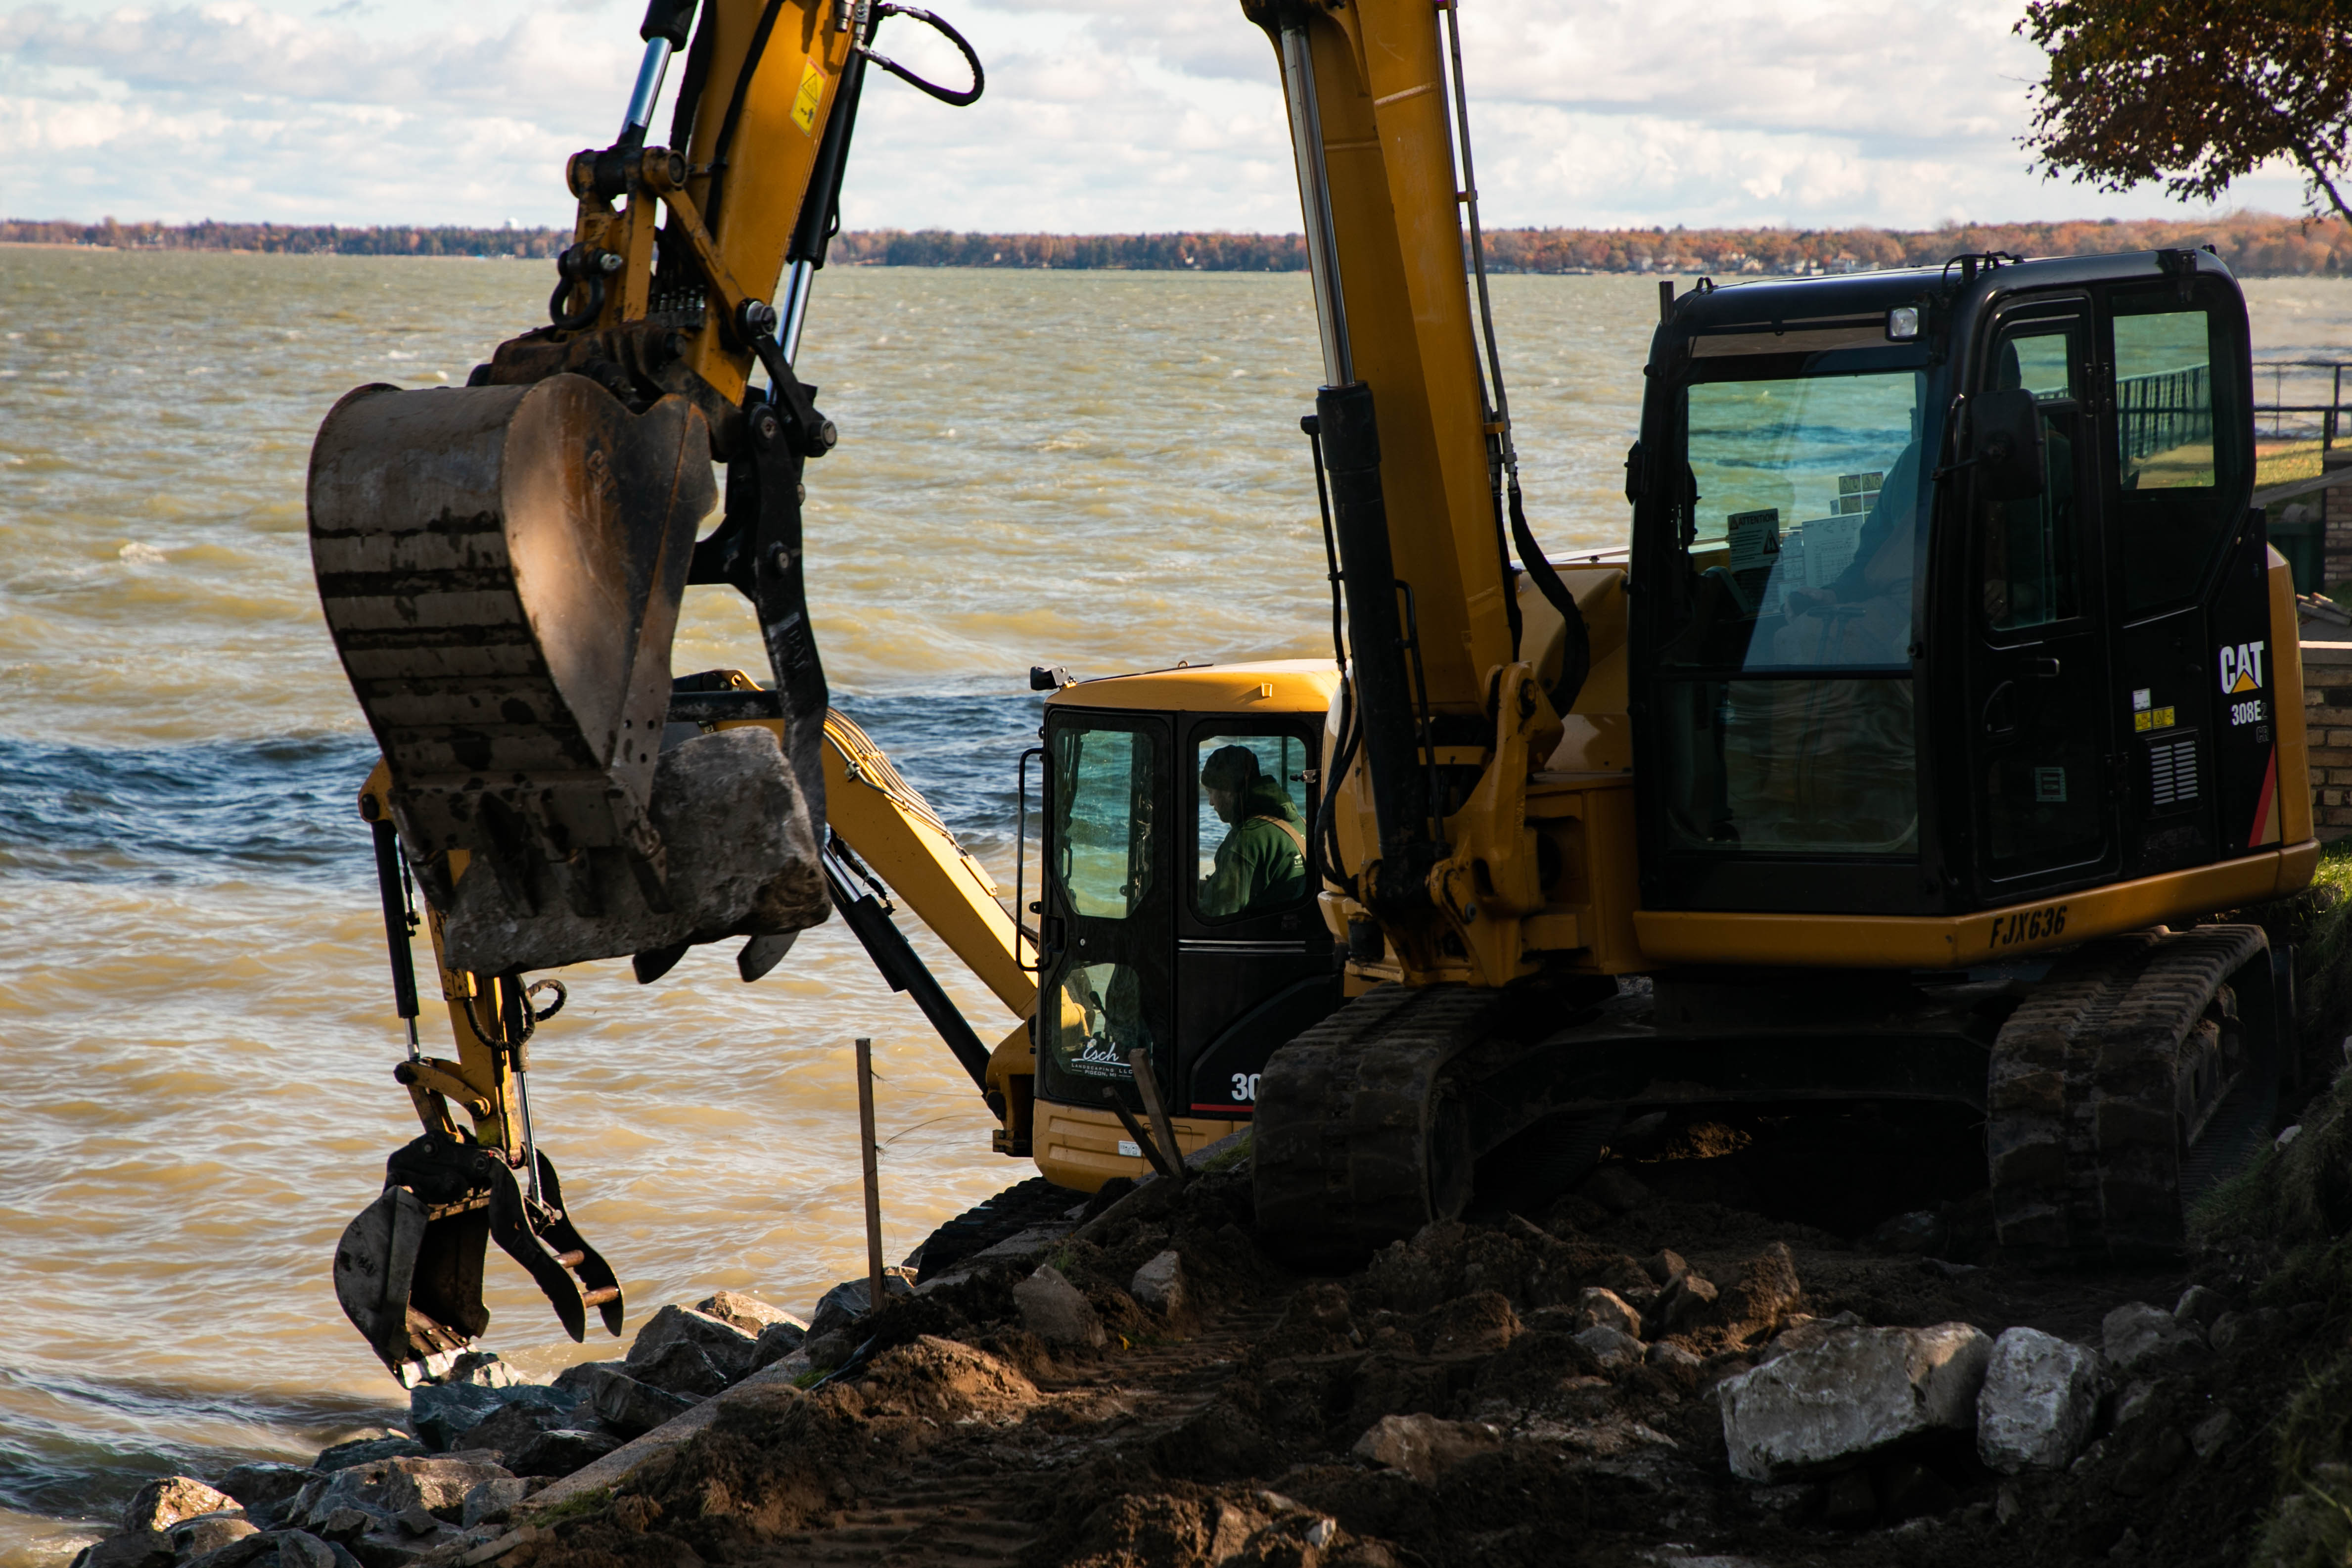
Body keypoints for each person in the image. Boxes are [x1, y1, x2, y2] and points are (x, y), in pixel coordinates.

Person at [1196, 745, 1307, 918]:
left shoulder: (1247, 839)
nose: (1210, 802)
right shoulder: (1297, 822)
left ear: (1228, 792)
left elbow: (1218, 913)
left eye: (1211, 793)